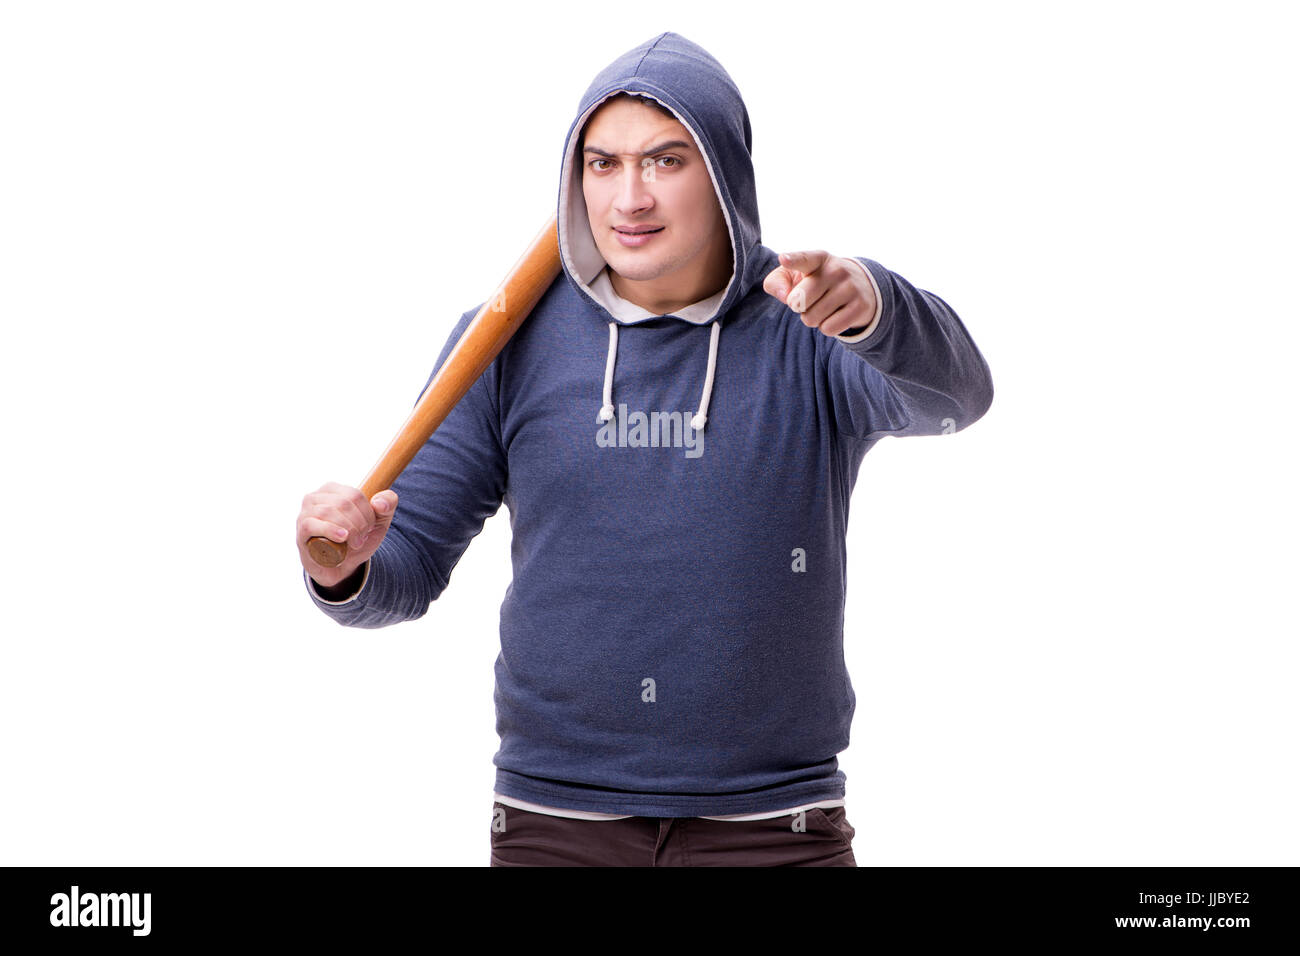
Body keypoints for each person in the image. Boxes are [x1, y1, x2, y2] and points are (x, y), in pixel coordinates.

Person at [296, 32, 993, 866]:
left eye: (667, 161)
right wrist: (345, 567)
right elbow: (400, 573)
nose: (630, 197)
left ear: (725, 174)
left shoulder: (809, 324)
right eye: (603, 163)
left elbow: (958, 399)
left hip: (777, 829)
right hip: (552, 824)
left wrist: (876, 305)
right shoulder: (503, 342)